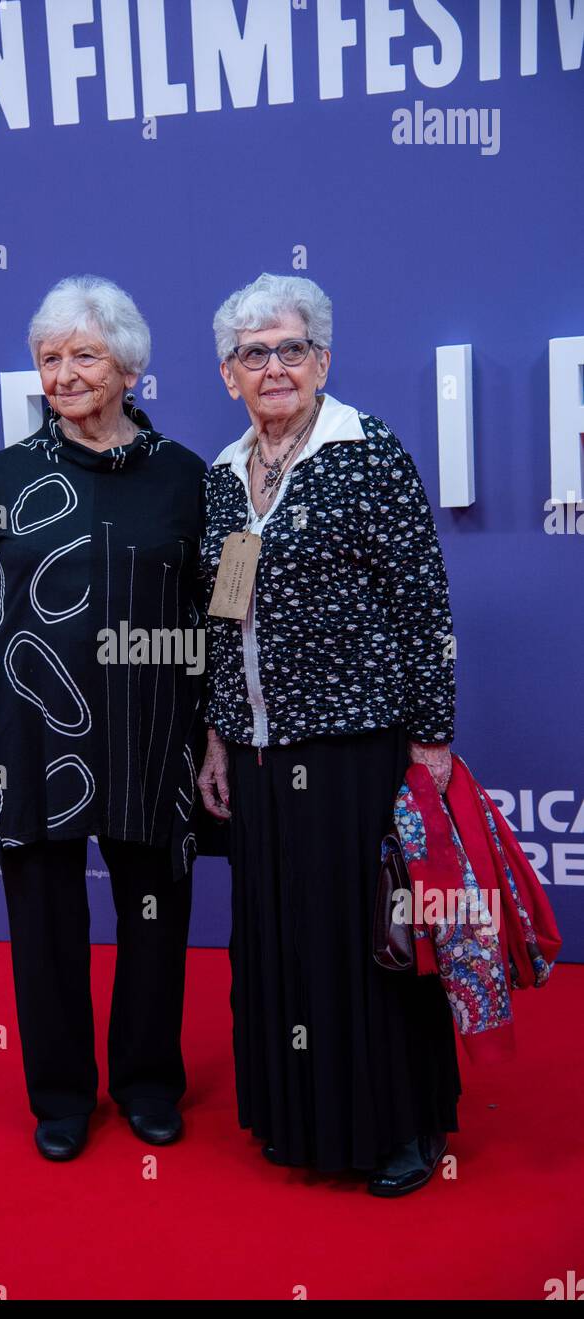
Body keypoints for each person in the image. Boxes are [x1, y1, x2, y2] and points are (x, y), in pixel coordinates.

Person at [197, 272, 462, 1197]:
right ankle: (300, 1116)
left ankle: (399, 1129)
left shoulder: (366, 451)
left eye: (291, 348)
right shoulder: (223, 476)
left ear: (323, 360)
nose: (274, 366)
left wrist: (430, 743)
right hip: (263, 762)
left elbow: (423, 601)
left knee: (372, 937)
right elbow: (223, 617)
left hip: (357, 748)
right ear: (228, 373)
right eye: (253, 353)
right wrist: (220, 738)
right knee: (281, 941)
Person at [0, 275, 207, 1161]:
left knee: (153, 918)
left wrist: (221, 729)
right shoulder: (6, 477)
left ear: (128, 366)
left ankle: (145, 1083)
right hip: (30, 736)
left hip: (151, 731)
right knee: (44, 928)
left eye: (83, 355)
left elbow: (231, 605)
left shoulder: (189, 476)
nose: (63, 374)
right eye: (48, 359)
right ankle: (59, 1096)